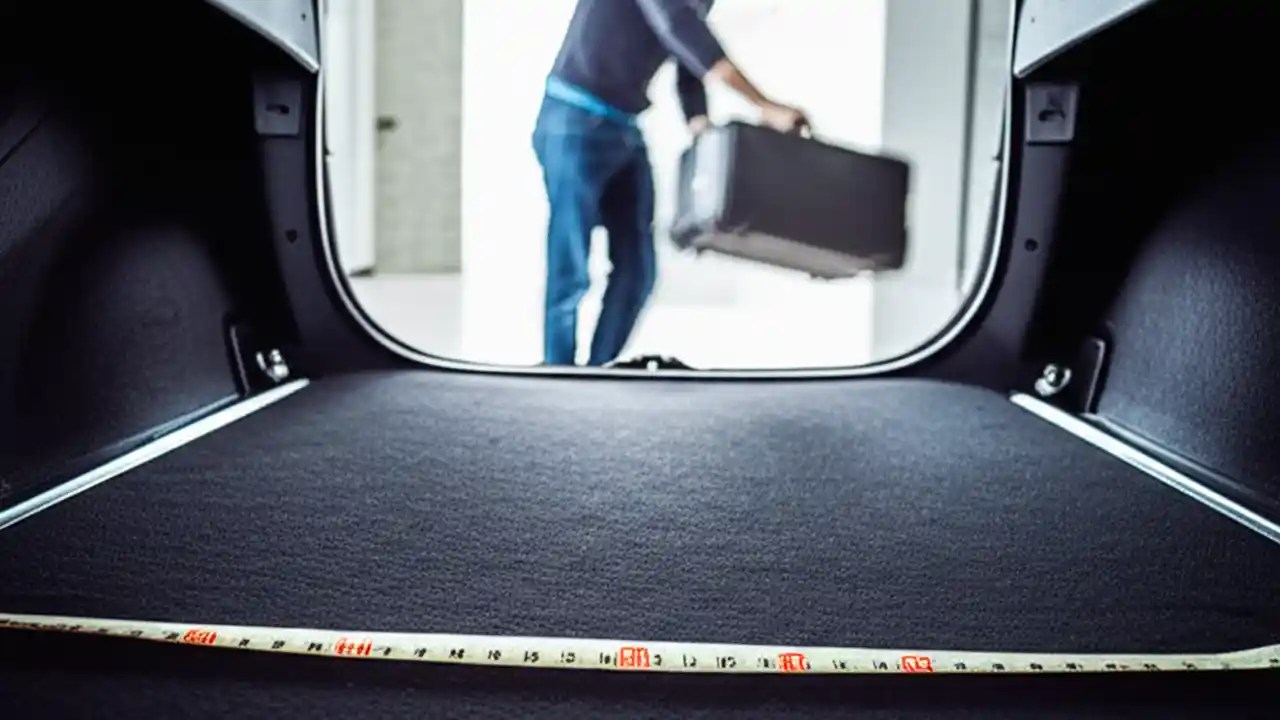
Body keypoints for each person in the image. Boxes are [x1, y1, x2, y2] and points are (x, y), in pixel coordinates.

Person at [533, 0, 808, 366]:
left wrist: (701, 126)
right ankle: (558, 376)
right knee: (571, 269)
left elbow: (686, 62)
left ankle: (596, 375)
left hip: (623, 127)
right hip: (573, 119)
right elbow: (680, 30)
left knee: (638, 272)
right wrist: (765, 105)